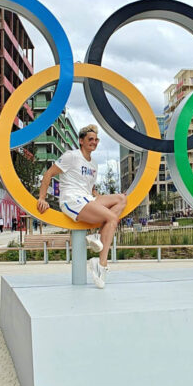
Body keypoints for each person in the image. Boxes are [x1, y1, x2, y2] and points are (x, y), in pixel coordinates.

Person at [36, 124, 126, 289]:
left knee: (121, 199)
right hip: (71, 201)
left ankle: (97, 239)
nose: (94, 142)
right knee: (112, 218)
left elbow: (91, 190)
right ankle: (101, 264)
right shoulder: (72, 156)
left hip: (88, 199)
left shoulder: (95, 165)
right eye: (90, 139)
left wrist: (104, 199)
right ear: (81, 141)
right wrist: (42, 197)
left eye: (96, 139)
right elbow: (49, 173)